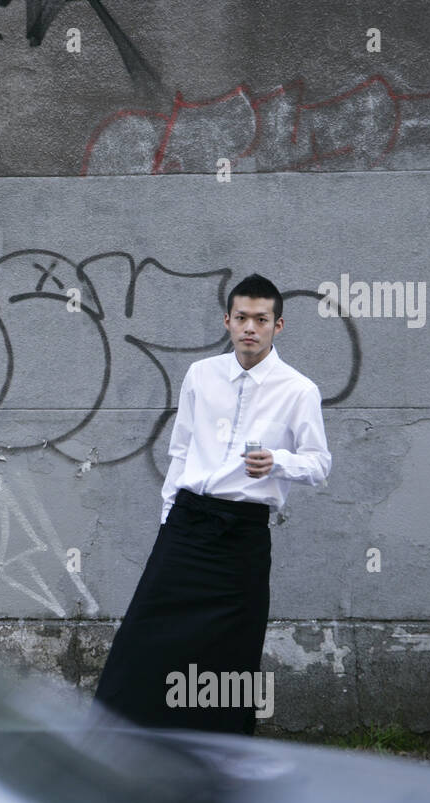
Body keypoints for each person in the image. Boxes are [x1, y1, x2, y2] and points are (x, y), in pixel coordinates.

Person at [91, 273, 331, 735]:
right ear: (227, 320)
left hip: (243, 533)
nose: (250, 328)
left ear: (278, 326)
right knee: (144, 639)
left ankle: (219, 752)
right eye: (241, 317)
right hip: (186, 524)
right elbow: (180, 452)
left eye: (261, 319)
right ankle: (117, 742)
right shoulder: (201, 375)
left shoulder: (298, 390)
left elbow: (320, 464)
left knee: (230, 654)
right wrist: (168, 522)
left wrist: (279, 462)